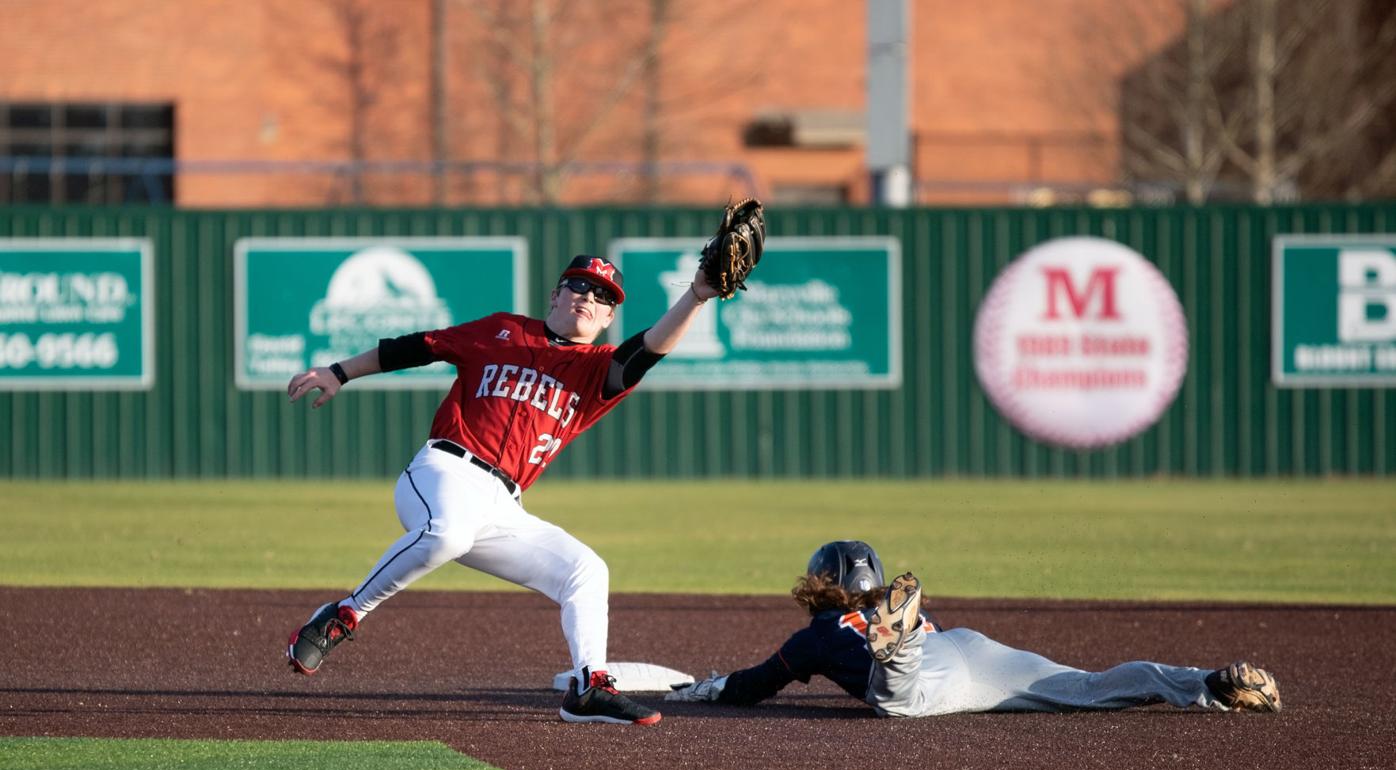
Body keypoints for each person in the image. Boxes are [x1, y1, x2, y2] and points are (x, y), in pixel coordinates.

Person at [286, 253, 723, 726]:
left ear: (608, 318)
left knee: (586, 569)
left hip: (503, 504)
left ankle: (588, 687)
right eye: (579, 286)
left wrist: (697, 295)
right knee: (449, 533)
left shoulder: (598, 371)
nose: (588, 297)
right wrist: (339, 372)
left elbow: (650, 348)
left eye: (603, 296)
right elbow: (415, 347)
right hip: (443, 470)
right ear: (555, 295)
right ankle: (345, 613)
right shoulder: (501, 330)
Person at [666, 540, 1282, 716]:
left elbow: (755, 684)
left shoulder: (818, 634)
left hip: (925, 672)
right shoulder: (853, 617)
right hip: (967, 645)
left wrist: (704, 688)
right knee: (1089, 686)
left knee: (895, 700)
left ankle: (898, 646)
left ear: (819, 581)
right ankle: (1207, 682)